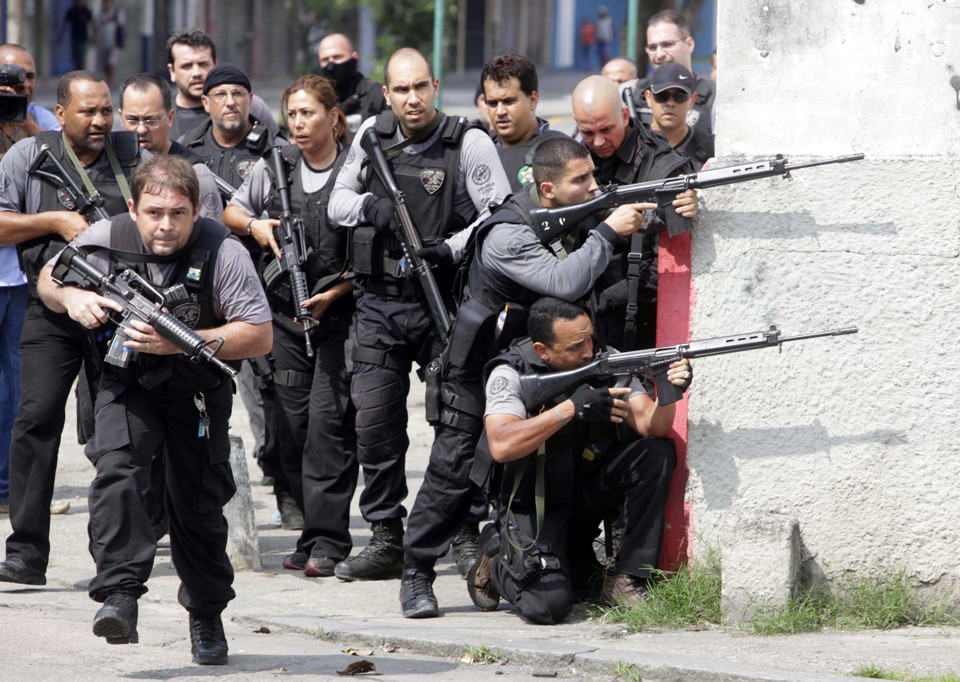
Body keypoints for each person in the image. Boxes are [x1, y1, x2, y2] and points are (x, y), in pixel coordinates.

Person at [398, 136, 655, 618]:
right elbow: (566, 282)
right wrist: (607, 233)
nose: (593, 187)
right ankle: (416, 573)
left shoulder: (566, 214)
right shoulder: (509, 234)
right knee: (453, 475)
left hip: (537, 364)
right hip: (476, 372)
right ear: (548, 190)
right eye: (582, 180)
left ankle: (517, 556)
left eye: (593, 176)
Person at [36, 155, 272, 663]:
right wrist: (73, 297)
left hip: (197, 390)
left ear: (196, 211)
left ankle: (206, 614)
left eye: (178, 214)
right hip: (127, 384)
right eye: (154, 212)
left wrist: (184, 343)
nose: (166, 225)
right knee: (119, 473)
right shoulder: (105, 237)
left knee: (198, 505)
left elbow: (258, 334)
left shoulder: (223, 251)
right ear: (133, 209)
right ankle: (120, 595)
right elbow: (48, 280)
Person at [328, 47, 510, 587]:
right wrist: (373, 208)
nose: (411, 99)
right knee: (375, 424)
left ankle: (457, 530)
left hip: (443, 301)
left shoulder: (467, 142)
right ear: (386, 93)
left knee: (456, 422)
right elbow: (336, 201)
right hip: (380, 304)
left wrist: (449, 249)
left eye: (420, 88)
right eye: (400, 90)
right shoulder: (370, 138)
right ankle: (386, 535)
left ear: (435, 86)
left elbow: (498, 214)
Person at [0, 70, 144, 585]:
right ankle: (26, 554)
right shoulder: (29, 157)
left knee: (114, 435)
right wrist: (54, 222)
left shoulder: (132, 156)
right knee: (35, 422)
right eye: (89, 111)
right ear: (60, 114)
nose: (101, 120)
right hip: (52, 310)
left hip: (120, 316)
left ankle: (116, 555)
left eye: (107, 110)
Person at [467, 297, 691, 624]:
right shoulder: (510, 372)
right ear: (543, 350)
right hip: (533, 507)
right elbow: (501, 444)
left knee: (655, 452)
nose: (588, 351)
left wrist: (669, 390)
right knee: (549, 607)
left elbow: (651, 425)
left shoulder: (606, 361)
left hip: (583, 497)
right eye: (575, 346)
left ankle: (626, 578)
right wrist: (570, 409)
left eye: (590, 338)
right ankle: (496, 551)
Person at [223, 74, 356, 578]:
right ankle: (309, 532)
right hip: (285, 318)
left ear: (333, 117)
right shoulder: (275, 165)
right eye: (292, 114)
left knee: (327, 429)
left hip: (340, 319)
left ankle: (330, 539)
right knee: (291, 429)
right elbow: (232, 209)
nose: (299, 124)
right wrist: (255, 225)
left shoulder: (354, 170)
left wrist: (337, 291)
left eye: (309, 114)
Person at [178, 63, 299, 530]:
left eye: (239, 94)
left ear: (251, 101)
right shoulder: (187, 151)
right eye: (221, 94)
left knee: (275, 397)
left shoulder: (276, 149)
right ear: (205, 102)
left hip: (268, 288)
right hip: (204, 290)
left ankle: (286, 488)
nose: (230, 102)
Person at [572, 75, 698, 352]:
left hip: (641, 321)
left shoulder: (665, 169)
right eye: (587, 132)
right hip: (582, 317)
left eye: (606, 129)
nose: (598, 141)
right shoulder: (575, 161)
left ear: (625, 115)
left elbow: (669, 265)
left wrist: (602, 301)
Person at [0, 44, 59, 515]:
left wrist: (27, 128)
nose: (20, 87)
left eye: (26, 77)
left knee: (22, 394)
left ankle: (7, 489)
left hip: (24, 279)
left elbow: (68, 180)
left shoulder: (44, 122)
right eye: (10, 79)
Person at [118, 72, 224, 219]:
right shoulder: (110, 165)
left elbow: (213, 234)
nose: (141, 129)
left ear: (170, 117)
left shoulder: (196, 173)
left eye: (151, 120)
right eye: (132, 120)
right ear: (121, 118)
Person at [166, 29, 279, 141]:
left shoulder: (252, 107)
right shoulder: (161, 115)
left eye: (203, 64)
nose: (196, 73)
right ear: (172, 71)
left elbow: (279, 149)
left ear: (215, 66)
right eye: (187, 66)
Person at [481, 54, 568, 193]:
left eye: (509, 101)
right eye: (492, 103)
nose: (500, 111)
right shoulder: (477, 148)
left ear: (532, 100)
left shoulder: (562, 149)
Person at [629, 10, 715, 135]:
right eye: (652, 47)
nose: (659, 55)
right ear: (648, 97)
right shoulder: (631, 91)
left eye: (667, 45)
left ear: (689, 44)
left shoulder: (715, 98)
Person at [644, 62, 714, 170]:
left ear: (693, 99)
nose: (670, 103)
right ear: (648, 98)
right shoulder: (633, 145)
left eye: (680, 96)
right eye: (662, 95)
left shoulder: (711, 148)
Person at [316, 33, 387, 137]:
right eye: (325, 60)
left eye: (337, 57)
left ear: (354, 57)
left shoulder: (376, 94)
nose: (331, 66)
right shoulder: (319, 101)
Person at [95, 0, 126, 87]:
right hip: (103, 43)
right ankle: (108, 79)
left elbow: (122, 27)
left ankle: (110, 81)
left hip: (113, 43)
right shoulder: (101, 13)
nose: (106, 3)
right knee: (104, 64)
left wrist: (123, 39)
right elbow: (96, 27)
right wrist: (95, 37)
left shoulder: (117, 12)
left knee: (111, 63)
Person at [59, 0, 94, 71]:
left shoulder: (86, 11)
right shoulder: (72, 11)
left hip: (83, 38)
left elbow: (91, 24)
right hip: (74, 38)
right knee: (75, 58)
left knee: (81, 57)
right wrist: (61, 36)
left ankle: (82, 73)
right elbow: (65, 24)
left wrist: (94, 35)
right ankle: (78, 72)